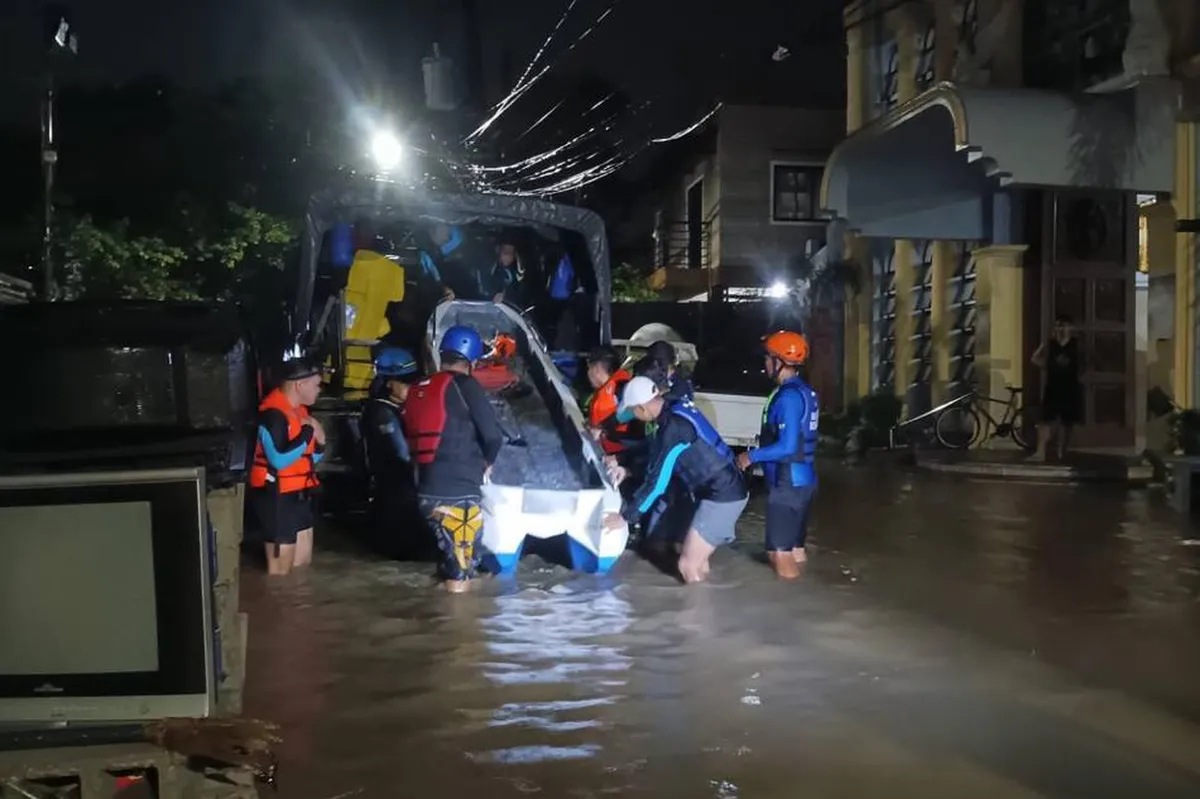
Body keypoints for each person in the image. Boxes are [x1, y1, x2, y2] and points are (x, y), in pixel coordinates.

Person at [604, 376, 748, 583]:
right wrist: (623, 462)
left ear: (643, 408)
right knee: (698, 562)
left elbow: (658, 483)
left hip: (722, 495)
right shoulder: (672, 408)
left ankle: (695, 613)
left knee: (687, 565)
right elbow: (655, 453)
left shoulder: (674, 428)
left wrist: (626, 517)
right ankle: (706, 604)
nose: (633, 417)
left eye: (633, 411)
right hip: (717, 489)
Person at [402, 325, 505, 592]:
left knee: (452, 566)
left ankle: (437, 623)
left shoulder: (421, 387)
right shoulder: (466, 385)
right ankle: (455, 629)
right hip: (459, 494)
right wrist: (487, 463)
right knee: (460, 576)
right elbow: (493, 436)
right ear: (471, 360)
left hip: (426, 491)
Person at [736, 331, 818, 580]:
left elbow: (787, 446)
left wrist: (750, 457)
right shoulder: (805, 391)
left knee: (778, 554)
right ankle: (804, 592)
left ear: (778, 361)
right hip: (804, 480)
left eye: (768, 358)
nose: (765, 363)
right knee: (795, 550)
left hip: (787, 483)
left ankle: (791, 610)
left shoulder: (788, 398)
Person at [247, 358, 325, 576]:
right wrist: (308, 433)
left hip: (299, 493)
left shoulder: (300, 413)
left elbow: (310, 459)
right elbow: (278, 460)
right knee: (280, 574)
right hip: (276, 496)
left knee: (301, 570)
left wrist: (321, 443)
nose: (320, 390)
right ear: (300, 385)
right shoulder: (273, 415)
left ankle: (297, 609)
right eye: (317, 384)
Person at [361, 346, 428, 559]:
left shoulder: (397, 408)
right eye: (405, 383)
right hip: (394, 489)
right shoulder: (381, 412)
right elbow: (401, 453)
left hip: (401, 489)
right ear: (389, 383)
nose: (412, 387)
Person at [1032, 313, 1083, 462]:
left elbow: (1085, 363)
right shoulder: (1050, 344)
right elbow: (1035, 359)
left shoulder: (1076, 344)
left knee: (1066, 422)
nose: (1060, 329)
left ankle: (1062, 451)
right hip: (1053, 387)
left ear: (1070, 328)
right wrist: (1043, 346)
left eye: (1064, 326)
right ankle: (1040, 452)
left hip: (1070, 387)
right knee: (1045, 420)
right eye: (1058, 326)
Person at [586, 346, 639, 457]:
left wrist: (603, 430)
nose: (588, 373)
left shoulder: (621, 387)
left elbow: (631, 415)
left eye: (589, 368)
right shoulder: (605, 388)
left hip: (617, 456)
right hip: (601, 450)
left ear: (597, 369)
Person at [479, 240, 524, 305]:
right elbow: (483, 289)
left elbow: (519, 291)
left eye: (511, 253)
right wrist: (494, 295)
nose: (508, 256)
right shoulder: (487, 269)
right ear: (498, 251)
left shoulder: (517, 272)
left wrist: (507, 296)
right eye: (505, 252)